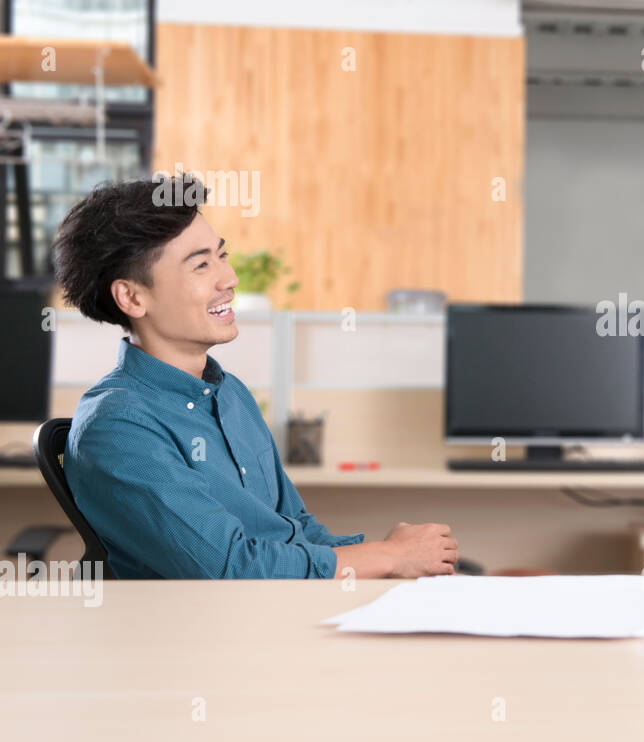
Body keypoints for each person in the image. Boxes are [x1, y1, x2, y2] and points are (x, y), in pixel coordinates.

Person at [55, 174, 459, 579]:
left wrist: (394, 558)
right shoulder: (119, 426)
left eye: (221, 256)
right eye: (200, 265)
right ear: (132, 297)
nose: (228, 280)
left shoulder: (231, 395)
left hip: (271, 619)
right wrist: (386, 557)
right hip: (200, 637)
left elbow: (296, 531)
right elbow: (230, 567)